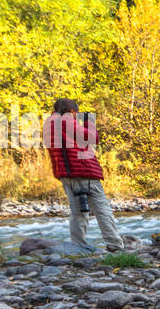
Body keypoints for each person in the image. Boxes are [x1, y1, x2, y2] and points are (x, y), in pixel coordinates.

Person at [43, 98, 124, 252]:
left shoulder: (49, 123)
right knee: (102, 209)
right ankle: (115, 245)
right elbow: (91, 138)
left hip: (65, 173)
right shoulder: (66, 119)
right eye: (76, 113)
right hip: (83, 171)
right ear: (71, 111)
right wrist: (89, 122)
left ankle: (78, 246)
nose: (76, 116)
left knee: (78, 212)